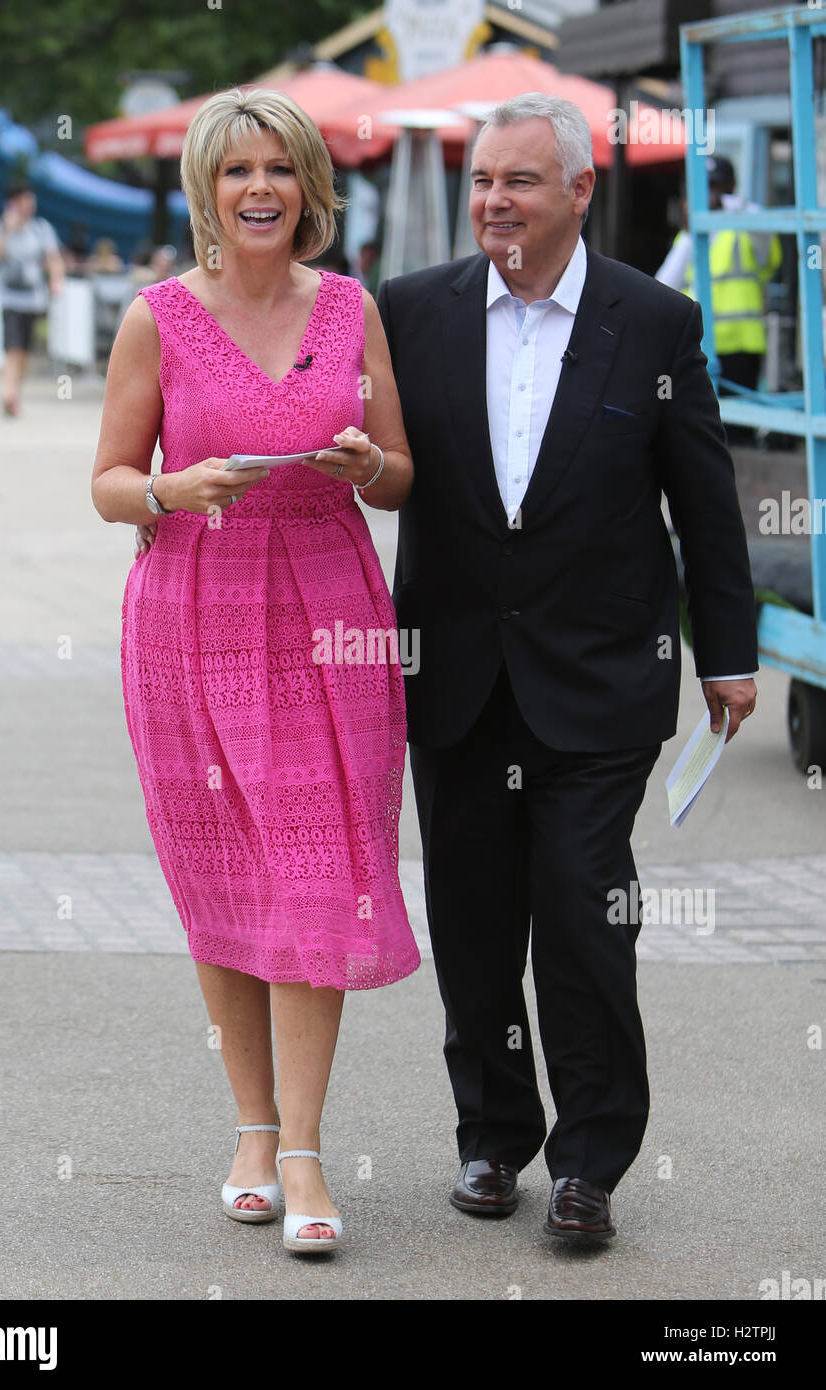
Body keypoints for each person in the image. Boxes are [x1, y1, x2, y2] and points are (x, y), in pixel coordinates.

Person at [377, 94, 758, 1241]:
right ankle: (492, 1139)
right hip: (453, 675)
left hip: (596, 678)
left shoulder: (654, 321)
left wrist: (726, 655)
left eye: (519, 181)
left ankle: (589, 1161)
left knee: (589, 918)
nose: (494, 201)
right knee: (473, 920)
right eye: (481, 180)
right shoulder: (409, 311)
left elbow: (703, 499)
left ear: (579, 191)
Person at [92, 88, 420, 1256]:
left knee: (320, 874)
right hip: (193, 611)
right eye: (236, 172)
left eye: (279, 168)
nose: (260, 189)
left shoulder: (349, 310)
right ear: (206, 192)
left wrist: (362, 461)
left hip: (332, 615)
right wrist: (171, 491)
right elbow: (110, 482)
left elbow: (398, 478)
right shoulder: (158, 318)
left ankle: (305, 1150)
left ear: (310, 187)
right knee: (227, 873)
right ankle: (249, 1126)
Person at [655, 156, 782, 446]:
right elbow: (663, 284)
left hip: (740, 345)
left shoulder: (746, 227)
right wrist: (692, 230)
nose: (709, 194)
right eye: (703, 187)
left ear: (731, 188)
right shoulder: (690, 237)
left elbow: (765, 244)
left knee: (737, 434)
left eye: (716, 187)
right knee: (697, 428)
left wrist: (734, 208)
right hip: (697, 346)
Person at [0, 184, 65, 416]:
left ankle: (15, 393)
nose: (30, 205)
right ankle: (8, 395)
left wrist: (56, 280)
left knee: (26, 351)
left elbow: (53, 258)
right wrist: (7, 231)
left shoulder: (41, 229)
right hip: (10, 298)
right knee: (13, 348)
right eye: (26, 200)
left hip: (35, 299)